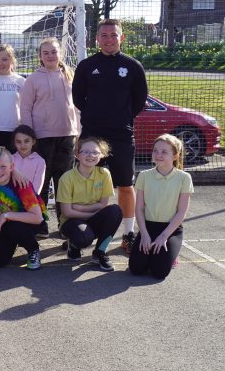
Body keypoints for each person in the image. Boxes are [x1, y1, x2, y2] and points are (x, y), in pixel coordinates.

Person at [72, 19, 148, 254]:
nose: (109, 39)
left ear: (121, 38)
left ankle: (128, 233)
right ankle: (82, 232)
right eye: (104, 35)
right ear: (97, 39)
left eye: (113, 35)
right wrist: (97, 118)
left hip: (122, 135)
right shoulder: (86, 66)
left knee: (125, 186)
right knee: (86, 184)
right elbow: (78, 99)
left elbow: (139, 101)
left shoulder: (133, 66)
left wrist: (121, 117)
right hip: (92, 135)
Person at [19, 37, 79, 219]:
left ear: (60, 53)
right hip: (42, 138)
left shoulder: (70, 75)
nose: (50, 55)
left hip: (67, 136)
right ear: (40, 56)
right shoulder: (33, 79)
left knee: (64, 182)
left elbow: (77, 107)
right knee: (42, 182)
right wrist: (29, 137)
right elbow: (25, 108)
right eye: (46, 52)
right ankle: (41, 221)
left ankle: (64, 222)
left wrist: (80, 132)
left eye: (54, 51)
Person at [130, 134, 193, 280]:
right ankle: (153, 252)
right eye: (155, 151)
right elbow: (139, 208)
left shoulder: (184, 178)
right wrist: (144, 234)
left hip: (170, 230)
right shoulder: (144, 176)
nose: (158, 155)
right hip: (148, 227)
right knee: (136, 269)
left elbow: (181, 211)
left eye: (164, 152)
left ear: (175, 156)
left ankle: (171, 255)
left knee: (159, 272)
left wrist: (164, 237)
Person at [57, 137, 123, 272]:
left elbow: (104, 204)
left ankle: (100, 253)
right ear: (77, 154)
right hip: (71, 221)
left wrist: (79, 207)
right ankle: (74, 246)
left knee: (115, 211)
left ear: (101, 154)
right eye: (85, 152)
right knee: (84, 238)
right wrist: (93, 210)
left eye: (95, 152)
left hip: (90, 216)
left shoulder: (104, 174)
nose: (90, 155)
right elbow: (67, 212)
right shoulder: (67, 178)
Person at [0, 147, 46, 270]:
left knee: (14, 227)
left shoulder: (21, 184)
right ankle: (11, 239)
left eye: (3, 166)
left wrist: (5, 216)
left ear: (11, 167)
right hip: (9, 219)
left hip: (29, 221)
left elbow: (37, 218)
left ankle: (33, 249)